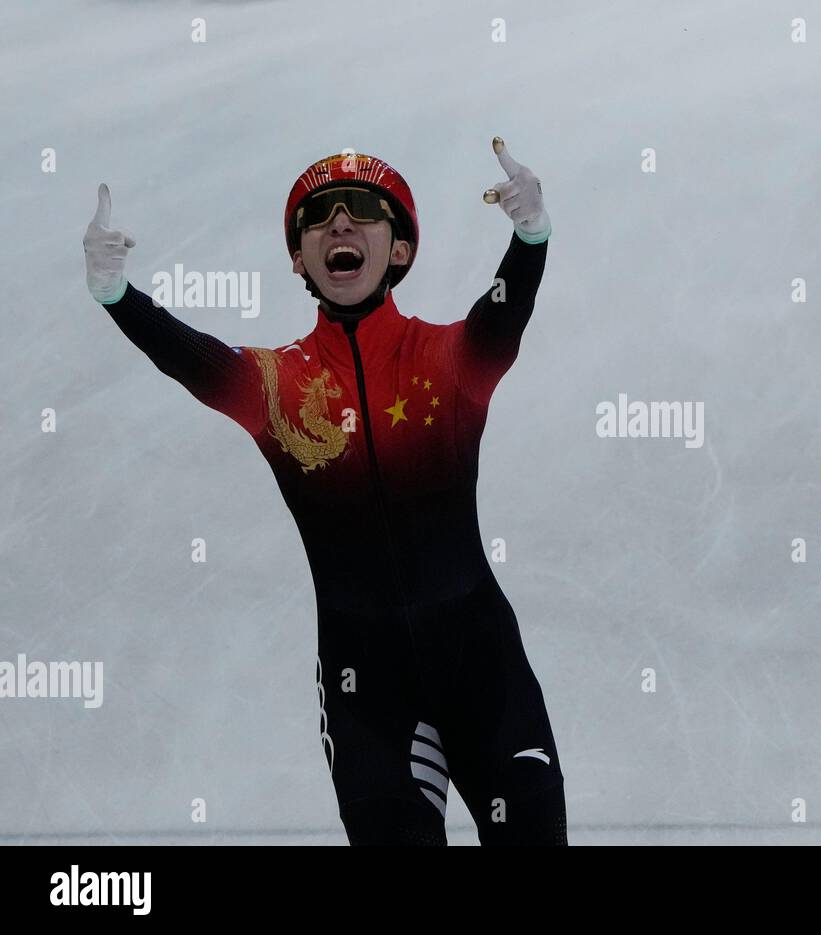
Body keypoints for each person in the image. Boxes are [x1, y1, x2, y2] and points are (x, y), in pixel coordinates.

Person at [82, 141, 566, 845]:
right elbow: (188, 354)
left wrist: (530, 236)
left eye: (364, 212)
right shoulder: (274, 390)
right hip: (366, 690)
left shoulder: (451, 361)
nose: (339, 224)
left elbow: (506, 311)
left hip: (482, 670)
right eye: (318, 219)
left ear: (399, 251)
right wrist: (115, 295)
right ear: (298, 259)